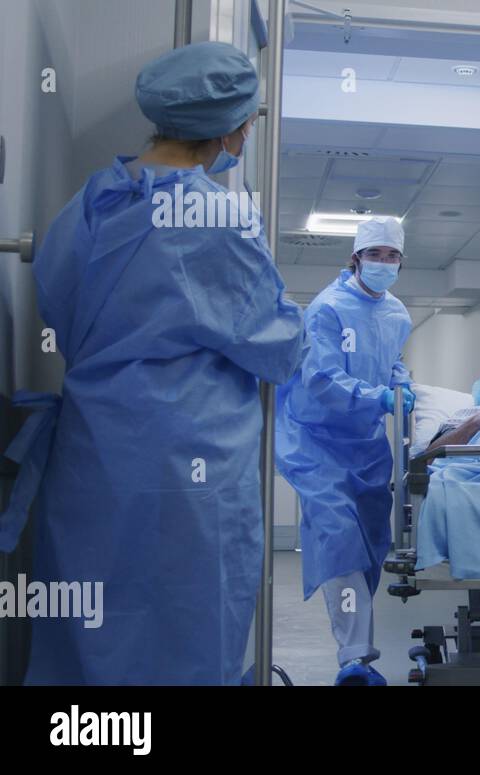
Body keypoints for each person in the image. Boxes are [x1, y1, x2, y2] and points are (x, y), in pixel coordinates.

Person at [1, 42, 305, 684]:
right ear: (230, 127)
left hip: (96, 459)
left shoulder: (88, 204)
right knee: (187, 629)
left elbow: (56, 310)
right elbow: (277, 347)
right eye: (249, 122)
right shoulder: (218, 220)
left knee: (90, 635)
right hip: (192, 473)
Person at [275, 216, 414, 686]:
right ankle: (355, 658)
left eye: (390, 256)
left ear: (400, 262)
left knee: (372, 542)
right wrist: (375, 397)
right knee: (338, 535)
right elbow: (320, 378)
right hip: (316, 438)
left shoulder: (398, 312)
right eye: (373, 255)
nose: (382, 263)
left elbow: (391, 358)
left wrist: (399, 381)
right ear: (354, 259)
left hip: (367, 445)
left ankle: (356, 649)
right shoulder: (327, 308)